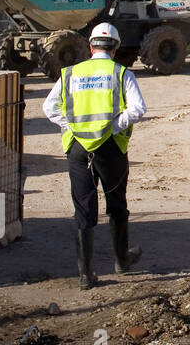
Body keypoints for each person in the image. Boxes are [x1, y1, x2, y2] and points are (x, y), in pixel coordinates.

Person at [43, 22, 147, 290]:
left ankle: (85, 275)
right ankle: (122, 261)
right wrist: (112, 127)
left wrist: (72, 125)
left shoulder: (70, 74)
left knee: (83, 208)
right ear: (115, 48)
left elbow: (49, 107)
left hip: (78, 149)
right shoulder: (121, 73)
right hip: (110, 148)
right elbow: (138, 109)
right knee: (117, 204)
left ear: (90, 47)